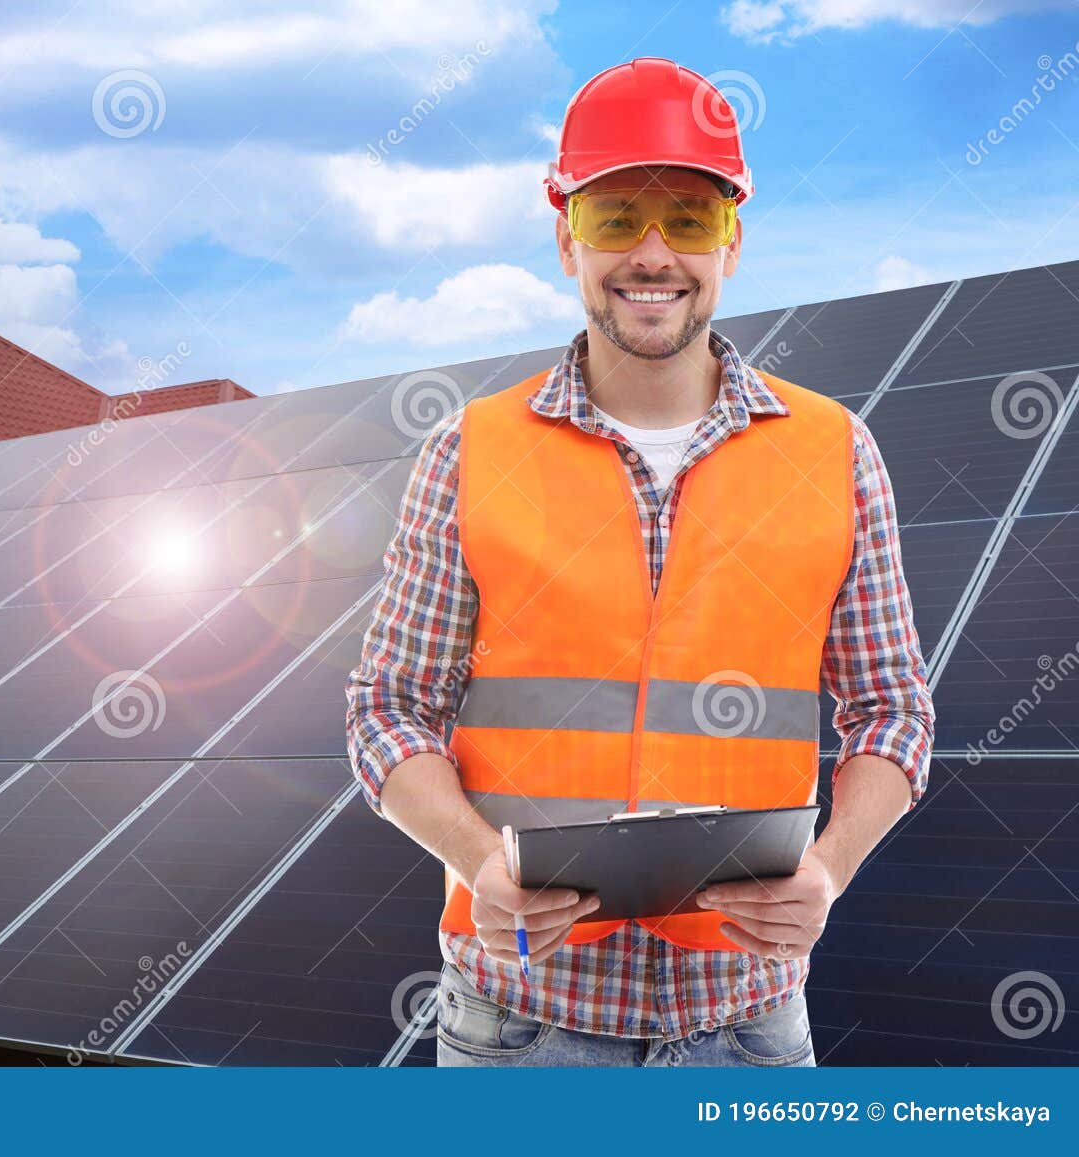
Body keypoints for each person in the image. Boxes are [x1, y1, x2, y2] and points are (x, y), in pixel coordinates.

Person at [344, 57, 935, 1067]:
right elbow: (386, 705)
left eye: (689, 220)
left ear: (732, 243)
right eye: (616, 217)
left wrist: (826, 873)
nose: (652, 254)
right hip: (517, 1028)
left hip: (746, 1025)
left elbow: (892, 707)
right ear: (565, 236)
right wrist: (478, 860)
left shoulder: (835, 450)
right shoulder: (470, 449)